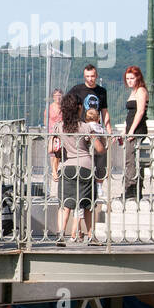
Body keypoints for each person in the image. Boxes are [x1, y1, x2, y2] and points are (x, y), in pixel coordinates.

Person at [56, 93, 105, 245]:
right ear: (78, 108)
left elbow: (53, 147)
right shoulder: (85, 127)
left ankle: (61, 235)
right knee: (87, 204)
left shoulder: (59, 126)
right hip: (85, 166)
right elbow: (100, 149)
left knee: (65, 205)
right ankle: (91, 236)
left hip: (67, 167)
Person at [121, 65, 149, 198]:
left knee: (132, 158)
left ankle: (132, 188)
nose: (129, 81)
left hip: (137, 129)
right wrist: (125, 130)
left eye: (132, 78)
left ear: (138, 77)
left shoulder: (141, 91)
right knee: (129, 158)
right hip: (130, 128)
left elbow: (140, 111)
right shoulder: (133, 92)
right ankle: (131, 188)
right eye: (127, 78)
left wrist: (132, 130)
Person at [68, 64, 110, 132]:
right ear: (84, 76)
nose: (90, 79)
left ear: (96, 76)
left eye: (92, 76)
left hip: (95, 128)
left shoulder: (102, 91)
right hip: (81, 128)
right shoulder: (76, 89)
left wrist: (109, 131)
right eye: (87, 76)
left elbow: (104, 111)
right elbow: (67, 105)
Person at [45, 88, 64, 183]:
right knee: (52, 151)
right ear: (53, 97)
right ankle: (54, 171)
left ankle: (55, 170)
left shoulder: (63, 107)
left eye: (59, 96)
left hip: (60, 132)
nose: (58, 98)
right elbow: (46, 119)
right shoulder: (49, 107)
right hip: (52, 132)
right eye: (56, 96)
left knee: (58, 151)